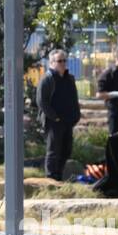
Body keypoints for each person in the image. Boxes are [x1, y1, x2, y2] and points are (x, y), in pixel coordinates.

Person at [37, 49, 81, 181]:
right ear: (51, 63)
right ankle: (51, 178)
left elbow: (74, 98)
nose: (63, 63)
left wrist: (76, 115)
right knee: (53, 151)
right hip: (53, 121)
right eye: (59, 61)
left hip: (68, 121)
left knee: (66, 150)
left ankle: (58, 176)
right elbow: (41, 102)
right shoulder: (47, 79)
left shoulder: (69, 79)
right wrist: (55, 117)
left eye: (64, 60)